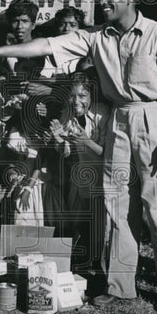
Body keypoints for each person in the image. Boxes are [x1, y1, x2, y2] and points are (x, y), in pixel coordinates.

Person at [0, 0, 157, 313]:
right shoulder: (94, 37)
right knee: (118, 206)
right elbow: (45, 45)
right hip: (118, 120)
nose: (102, 1)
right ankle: (121, 287)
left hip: (153, 119)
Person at [48, 75, 110, 273]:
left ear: (91, 94)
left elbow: (109, 155)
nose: (77, 101)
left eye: (82, 95)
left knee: (101, 232)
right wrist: (57, 139)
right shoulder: (68, 114)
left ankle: (101, 274)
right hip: (80, 182)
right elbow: (66, 152)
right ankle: (80, 270)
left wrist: (86, 141)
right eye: (72, 96)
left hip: (103, 182)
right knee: (81, 227)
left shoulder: (103, 114)